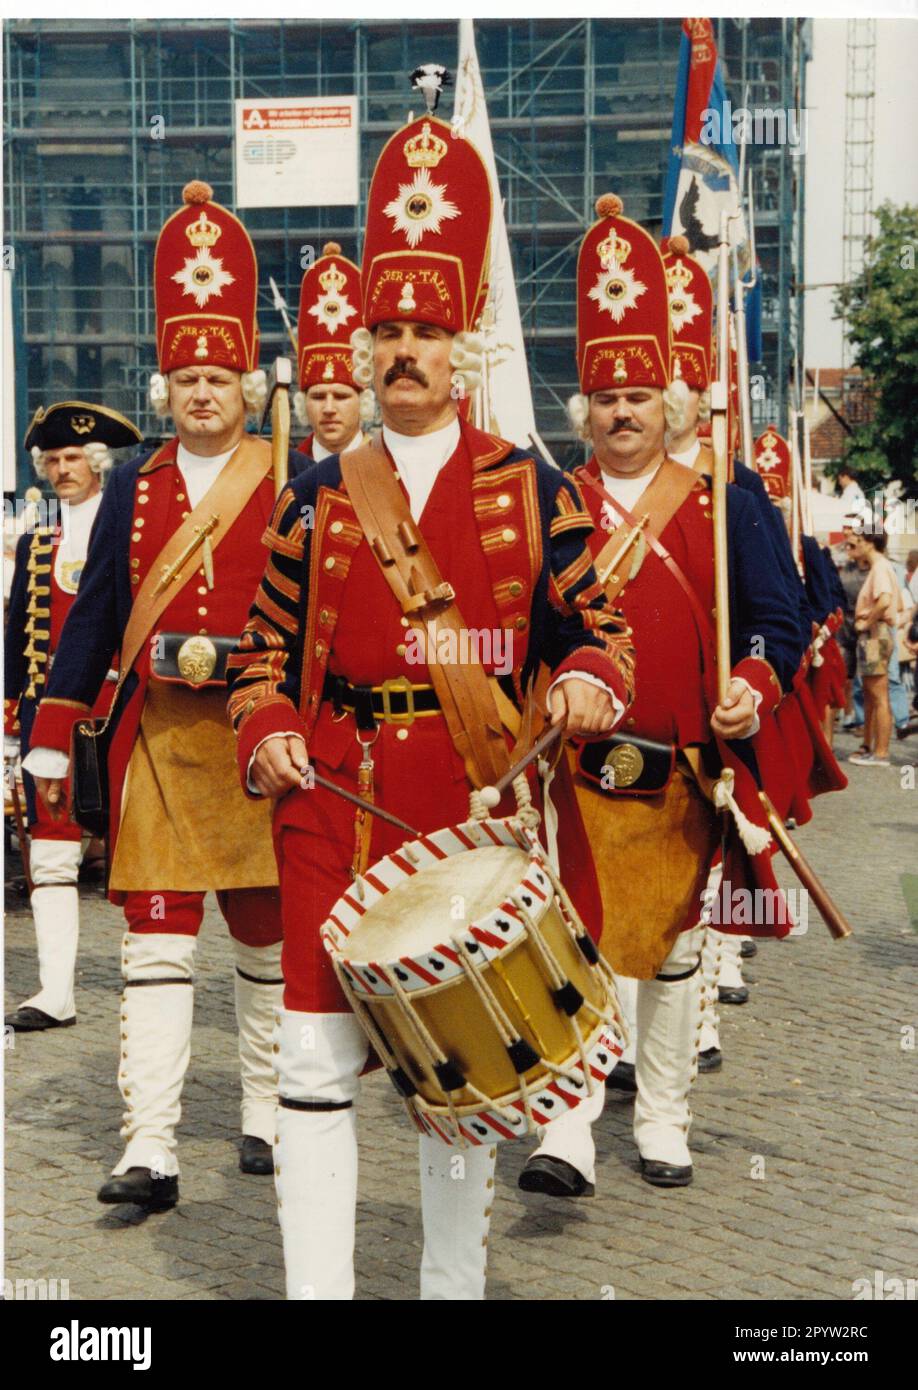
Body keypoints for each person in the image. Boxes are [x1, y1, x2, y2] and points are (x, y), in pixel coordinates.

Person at [227, 116, 636, 1300]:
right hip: (332, 803)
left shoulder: (530, 486)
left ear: (465, 347)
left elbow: (598, 629)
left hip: (469, 804)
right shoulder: (310, 498)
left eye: (427, 332)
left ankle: (449, 1289)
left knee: (455, 1072)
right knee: (309, 1062)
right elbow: (260, 658)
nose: (405, 350)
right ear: (361, 349)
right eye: (388, 331)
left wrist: (582, 680)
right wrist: (270, 731)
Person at [25, 181, 305, 1209]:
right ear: (164, 387)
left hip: (253, 742)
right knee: (152, 946)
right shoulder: (132, 483)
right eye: (186, 375)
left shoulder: (288, 478)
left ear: (247, 380)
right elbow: (94, 614)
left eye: (218, 374)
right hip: (158, 749)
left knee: (266, 943)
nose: (202, 392)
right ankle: (150, 1146)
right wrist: (55, 721)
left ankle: (268, 1114)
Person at [518, 196, 799, 1197]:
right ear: (583, 409)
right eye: (605, 396)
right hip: (578, 770)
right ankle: (569, 1127)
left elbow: (781, 616)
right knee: (579, 942)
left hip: (684, 760)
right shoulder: (552, 504)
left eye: (639, 391)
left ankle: (667, 1115)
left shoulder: (725, 498)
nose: (623, 410)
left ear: (670, 398)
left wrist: (751, 684)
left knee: (673, 951)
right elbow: (527, 630)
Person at [4, 402, 142, 1032]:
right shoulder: (36, 543)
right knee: (52, 856)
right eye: (53, 460)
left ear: (98, 465)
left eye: (74, 459)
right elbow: (16, 640)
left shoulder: (131, 533)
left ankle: (151, 984)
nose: (63, 469)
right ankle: (54, 991)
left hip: (121, 710)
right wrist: (13, 717)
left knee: (139, 849)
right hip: (49, 714)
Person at [293, 242, 374, 459]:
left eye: (341, 396)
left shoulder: (390, 469)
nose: (329, 408)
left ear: (363, 401)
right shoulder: (283, 473)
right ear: (303, 403)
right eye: (318, 397)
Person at [848, 527, 899, 766]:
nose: (858, 544)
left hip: (875, 633)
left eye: (860, 540)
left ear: (870, 542)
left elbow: (886, 600)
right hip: (875, 633)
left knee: (878, 695)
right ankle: (873, 748)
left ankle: (880, 752)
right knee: (872, 693)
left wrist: (866, 622)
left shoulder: (879, 568)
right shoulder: (882, 567)